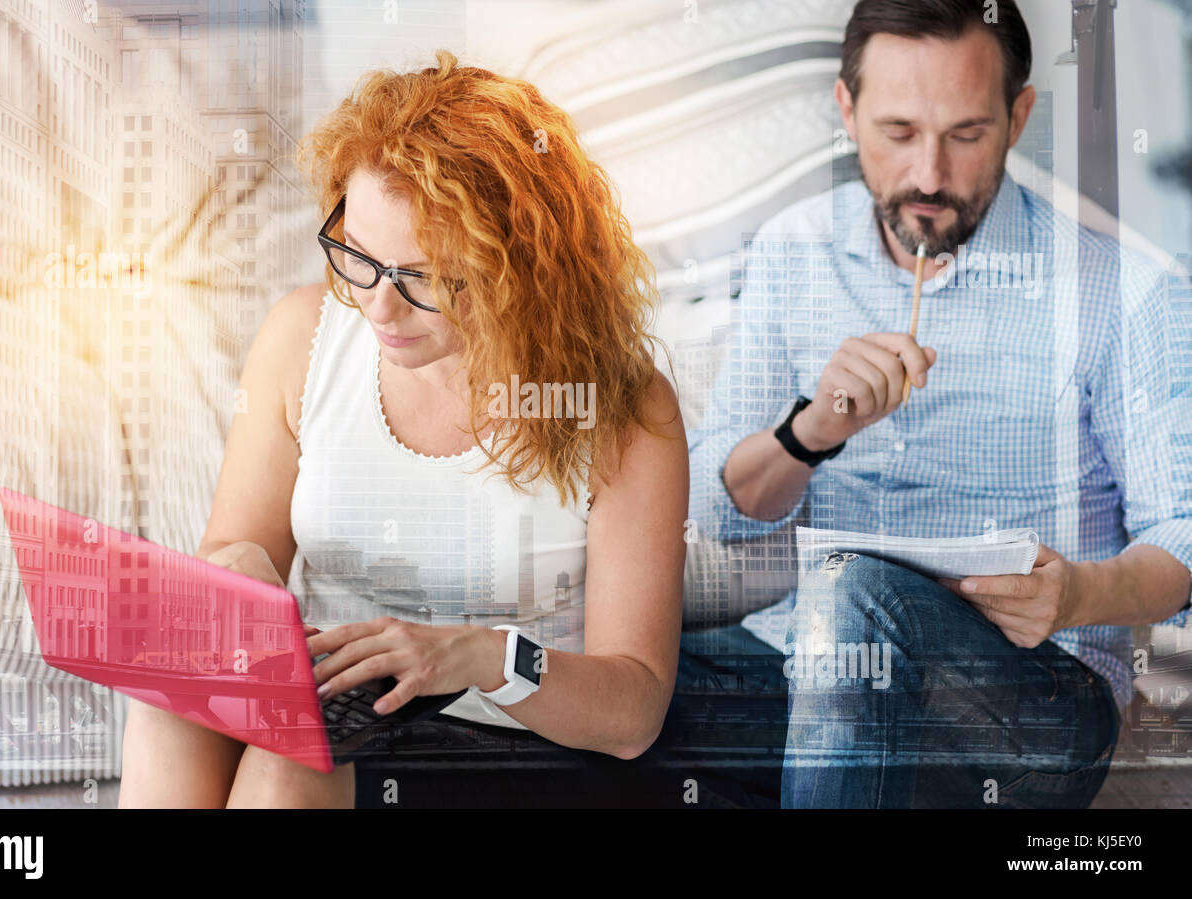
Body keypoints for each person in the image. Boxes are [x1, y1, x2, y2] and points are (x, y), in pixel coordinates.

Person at [118, 51, 688, 808]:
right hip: (339, 707)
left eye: (419, 277)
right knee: (169, 705)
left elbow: (633, 708)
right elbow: (234, 545)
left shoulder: (620, 406)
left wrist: (478, 655)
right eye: (359, 256)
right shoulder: (302, 338)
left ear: (519, 266)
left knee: (289, 768)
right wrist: (240, 574)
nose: (378, 308)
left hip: (515, 736)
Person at [680, 0, 1192, 808]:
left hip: (1028, 694)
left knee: (850, 590)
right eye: (898, 132)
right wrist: (810, 431)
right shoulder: (795, 251)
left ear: (1018, 117)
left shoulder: (1123, 292)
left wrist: (1079, 595)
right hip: (810, 661)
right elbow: (718, 506)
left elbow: (1183, 533)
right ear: (846, 111)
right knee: (611, 680)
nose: (928, 176)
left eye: (966, 134)